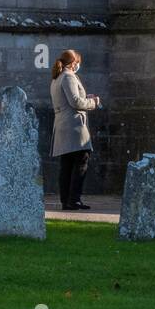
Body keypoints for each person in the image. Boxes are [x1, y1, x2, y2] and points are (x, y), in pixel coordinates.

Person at [50, 49, 99, 211]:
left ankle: (66, 200)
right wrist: (93, 102)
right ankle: (74, 199)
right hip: (74, 127)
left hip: (62, 126)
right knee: (80, 163)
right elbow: (76, 102)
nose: (79, 65)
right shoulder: (69, 76)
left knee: (67, 165)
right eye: (77, 62)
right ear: (73, 63)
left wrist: (85, 98)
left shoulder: (56, 78)